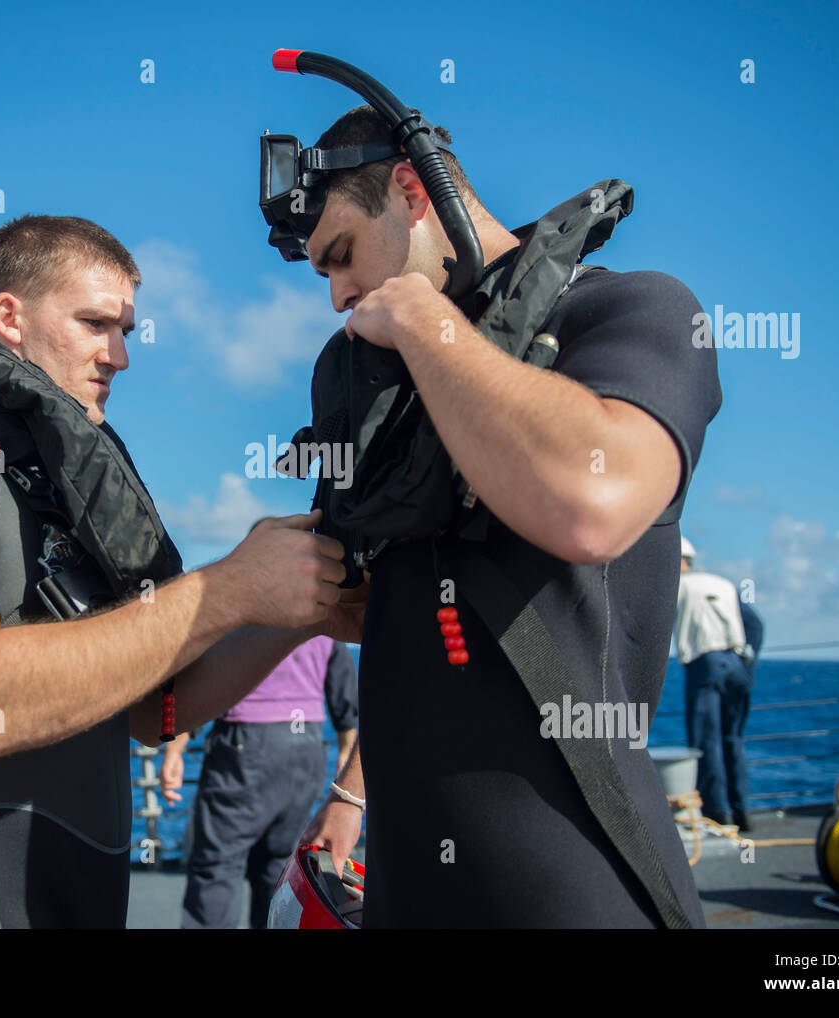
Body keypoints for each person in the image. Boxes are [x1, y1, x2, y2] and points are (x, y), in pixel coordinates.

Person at [0, 215, 365, 928]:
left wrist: (300, 610)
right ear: (9, 316)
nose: (120, 356)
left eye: (127, 332)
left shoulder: (72, 500)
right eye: (94, 324)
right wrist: (226, 587)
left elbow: (153, 712)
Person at [280, 106, 720, 927]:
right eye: (322, 276)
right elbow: (411, 631)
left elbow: (593, 506)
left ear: (412, 190)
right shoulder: (400, 404)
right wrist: (347, 794)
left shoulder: (635, 312)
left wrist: (419, 319)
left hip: (579, 893)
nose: (339, 293)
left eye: (341, 255)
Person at [160, 633, 358, 928]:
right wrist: (345, 755)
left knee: (217, 866)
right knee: (279, 868)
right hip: (306, 750)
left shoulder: (247, 599)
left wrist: (174, 751)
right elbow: (345, 697)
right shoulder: (325, 609)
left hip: (246, 746)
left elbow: (206, 682)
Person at [675, 537, 759, 832]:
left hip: (704, 666)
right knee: (733, 741)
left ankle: (717, 815)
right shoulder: (724, 584)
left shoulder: (677, 586)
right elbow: (755, 625)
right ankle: (742, 813)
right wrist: (747, 662)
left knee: (704, 742)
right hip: (737, 665)